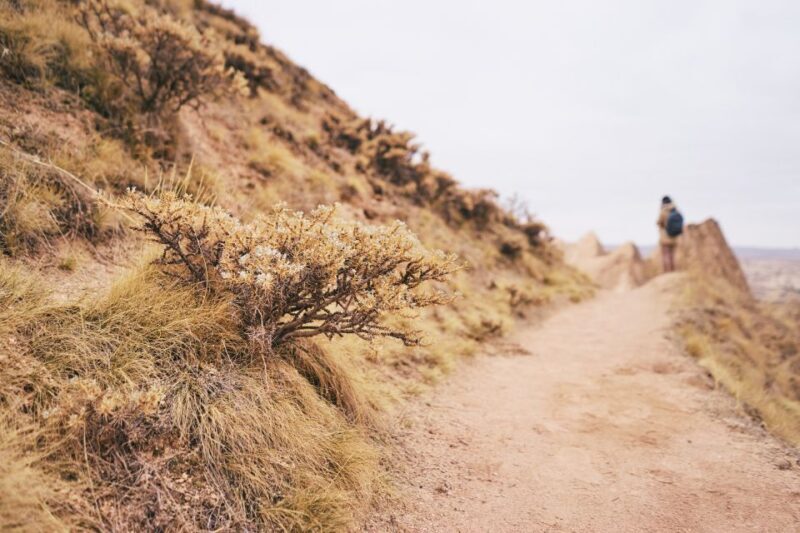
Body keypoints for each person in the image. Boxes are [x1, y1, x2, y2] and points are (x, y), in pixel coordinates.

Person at [657, 195, 681, 273]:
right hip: (674, 236)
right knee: (673, 255)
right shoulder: (675, 210)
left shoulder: (663, 210)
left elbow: (659, 222)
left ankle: (668, 272)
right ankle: (673, 270)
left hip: (665, 236)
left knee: (666, 255)